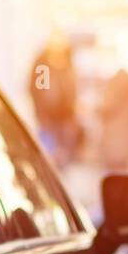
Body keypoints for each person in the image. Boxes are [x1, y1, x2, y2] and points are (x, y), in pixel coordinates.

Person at [29, 33, 81, 166]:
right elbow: (40, 92)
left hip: (65, 117)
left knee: (64, 157)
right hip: (49, 119)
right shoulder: (43, 65)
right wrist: (42, 114)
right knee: (48, 156)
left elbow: (71, 90)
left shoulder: (66, 61)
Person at [96, 66, 128, 171]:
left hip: (118, 138)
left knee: (118, 171)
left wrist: (94, 108)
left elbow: (110, 106)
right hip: (121, 136)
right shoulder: (123, 77)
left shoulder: (121, 78)